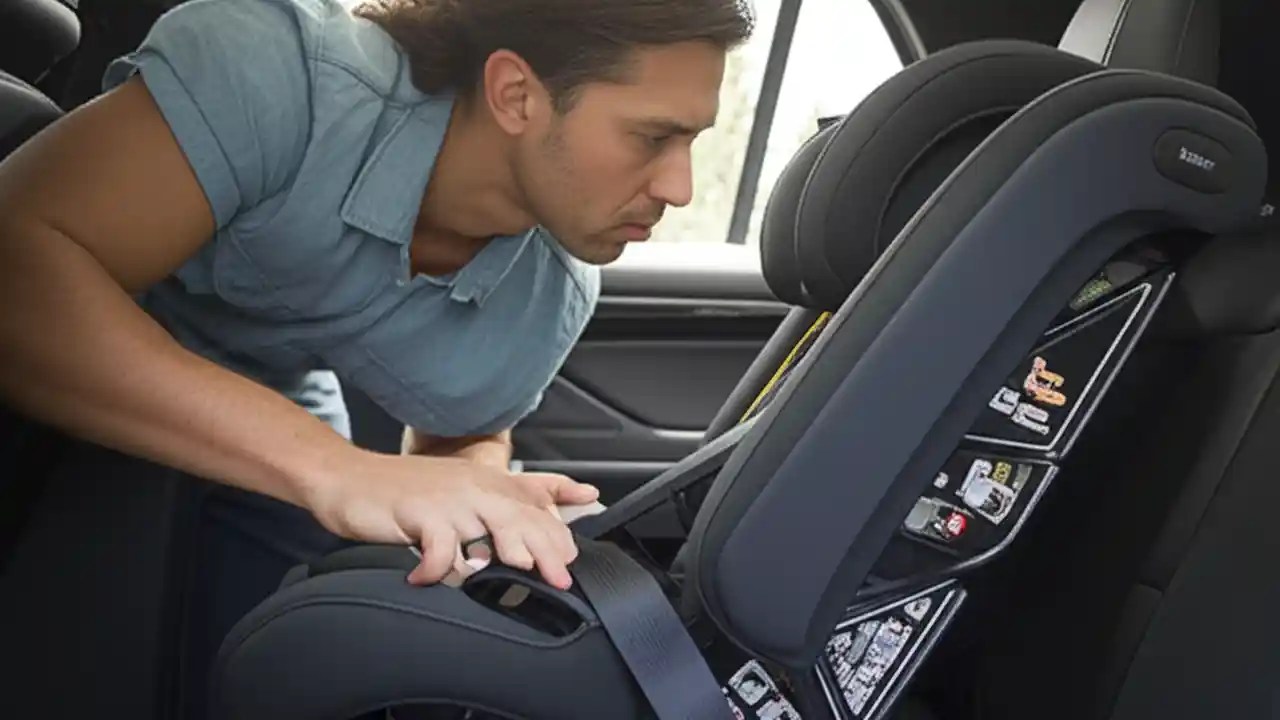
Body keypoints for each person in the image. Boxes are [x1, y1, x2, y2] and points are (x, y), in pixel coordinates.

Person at [0, 0, 754, 714]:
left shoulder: (548, 294)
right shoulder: (284, 72)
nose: (680, 187)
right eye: (652, 137)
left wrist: (475, 499)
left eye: (693, 142)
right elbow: (18, 272)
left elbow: (460, 430)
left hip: (275, 418)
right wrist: (338, 468)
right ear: (517, 95)